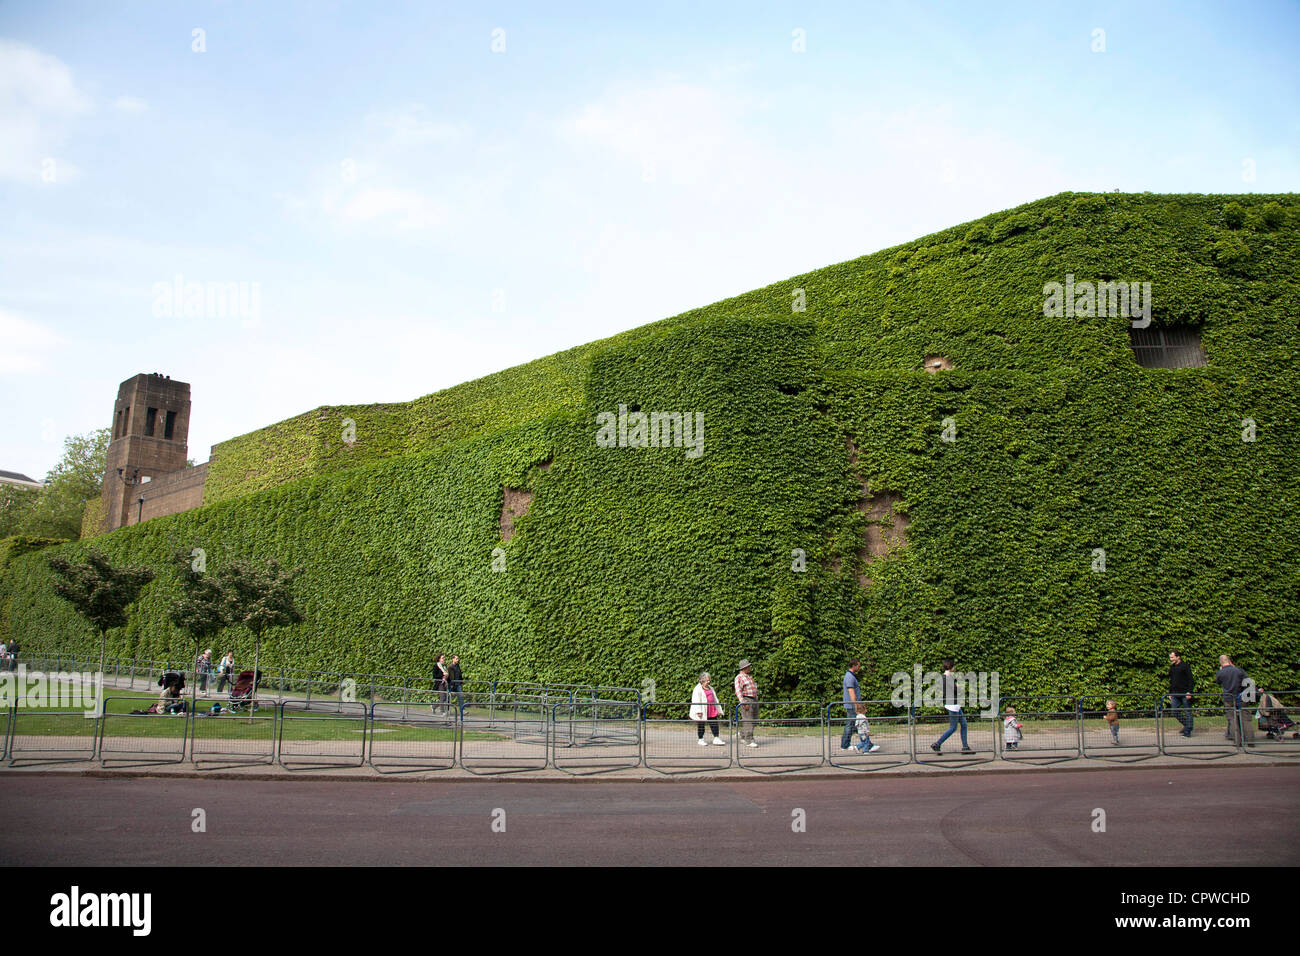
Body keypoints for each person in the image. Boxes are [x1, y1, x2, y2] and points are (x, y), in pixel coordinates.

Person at [931, 659, 975, 754]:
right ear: (951, 667)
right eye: (953, 666)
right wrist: (959, 687)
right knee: (953, 727)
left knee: (964, 724)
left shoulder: (944, 677)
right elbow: (955, 690)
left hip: (953, 704)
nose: (955, 668)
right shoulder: (948, 678)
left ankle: (965, 747)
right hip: (953, 705)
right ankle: (937, 744)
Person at [1215, 655, 1248, 744]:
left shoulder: (1220, 673)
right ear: (1229, 661)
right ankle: (1250, 739)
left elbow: (1218, 681)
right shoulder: (1239, 670)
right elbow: (1246, 681)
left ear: (1220, 663)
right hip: (1241, 696)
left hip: (1228, 698)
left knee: (1232, 719)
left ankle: (1237, 741)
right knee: (1245, 719)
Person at [689, 672, 726, 746]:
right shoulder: (697, 689)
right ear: (702, 681)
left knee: (714, 724)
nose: (709, 682)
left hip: (711, 708)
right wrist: (698, 711)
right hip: (703, 709)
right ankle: (701, 739)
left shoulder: (711, 688)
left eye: (709, 680)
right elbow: (696, 700)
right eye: (707, 680)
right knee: (701, 725)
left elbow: (715, 698)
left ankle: (716, 738)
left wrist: (718, 709)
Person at [1167, 650, 1194, 737]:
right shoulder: (1172, 667)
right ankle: (1187, 725)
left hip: (1184, 693)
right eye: (1170, 657)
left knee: (1188, 712)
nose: (1171, 659)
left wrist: (1189, 692)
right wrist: (1170, 693)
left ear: (1178, 657)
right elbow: (1171, 681)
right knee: (1174, 711)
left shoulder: (1185, 666)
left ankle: (1188, 730)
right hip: (1175, 693)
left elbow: (1190, 679)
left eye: (1172, 657)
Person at [840, 659, 864, 751]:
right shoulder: (850, 677)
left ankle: (846, 744)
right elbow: (851, 693)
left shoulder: (850, 676)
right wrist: (856, 705)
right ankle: (845, 745)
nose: (859, 667)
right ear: (854, 666)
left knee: (854, 725)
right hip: (852, 706)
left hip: (852, 705)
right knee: (854, 725)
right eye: (858, 665)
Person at [734, 659, 758, 748]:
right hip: (746, 699)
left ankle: (742, 734)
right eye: (748, 666)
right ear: (744, 668)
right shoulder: (739, 677)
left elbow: (754, 687)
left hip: (754, 699)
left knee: (755, 719)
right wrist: (743, 702)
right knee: (749, 720)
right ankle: (749, 740)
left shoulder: (749, 676)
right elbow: (738, 690)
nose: (750, 667)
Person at [432, 653, 451, 718]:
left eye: (444, 658)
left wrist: (449, 681)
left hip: (445, 683)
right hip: (440, 683)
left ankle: (434, 706)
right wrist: (442, 675)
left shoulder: (444, 666)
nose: (444, 659)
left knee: (445, 697)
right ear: (439, 659)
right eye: (442, 658)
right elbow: (435, 676)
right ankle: (442, 711)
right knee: (442, 697)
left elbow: (448, 675)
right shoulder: (436, 666)